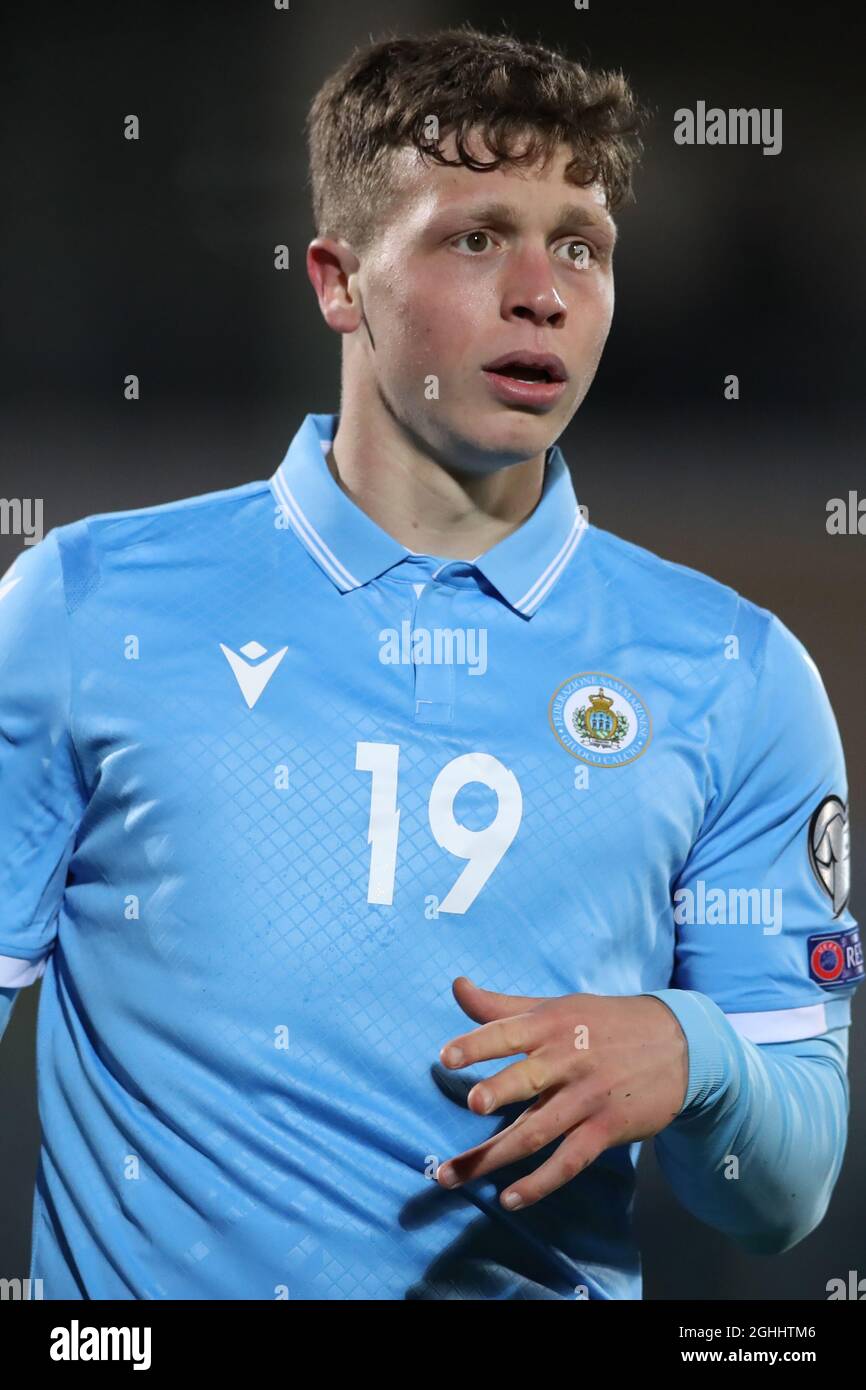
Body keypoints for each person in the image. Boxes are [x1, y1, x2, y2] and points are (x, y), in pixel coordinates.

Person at [0, 25, 860, 1300]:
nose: (542, 290)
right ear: (338, 283)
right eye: (476, 236)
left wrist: (696, 1057)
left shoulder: (735, 675)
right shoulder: (84, 607)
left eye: (580, 244)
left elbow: (781, 1202)